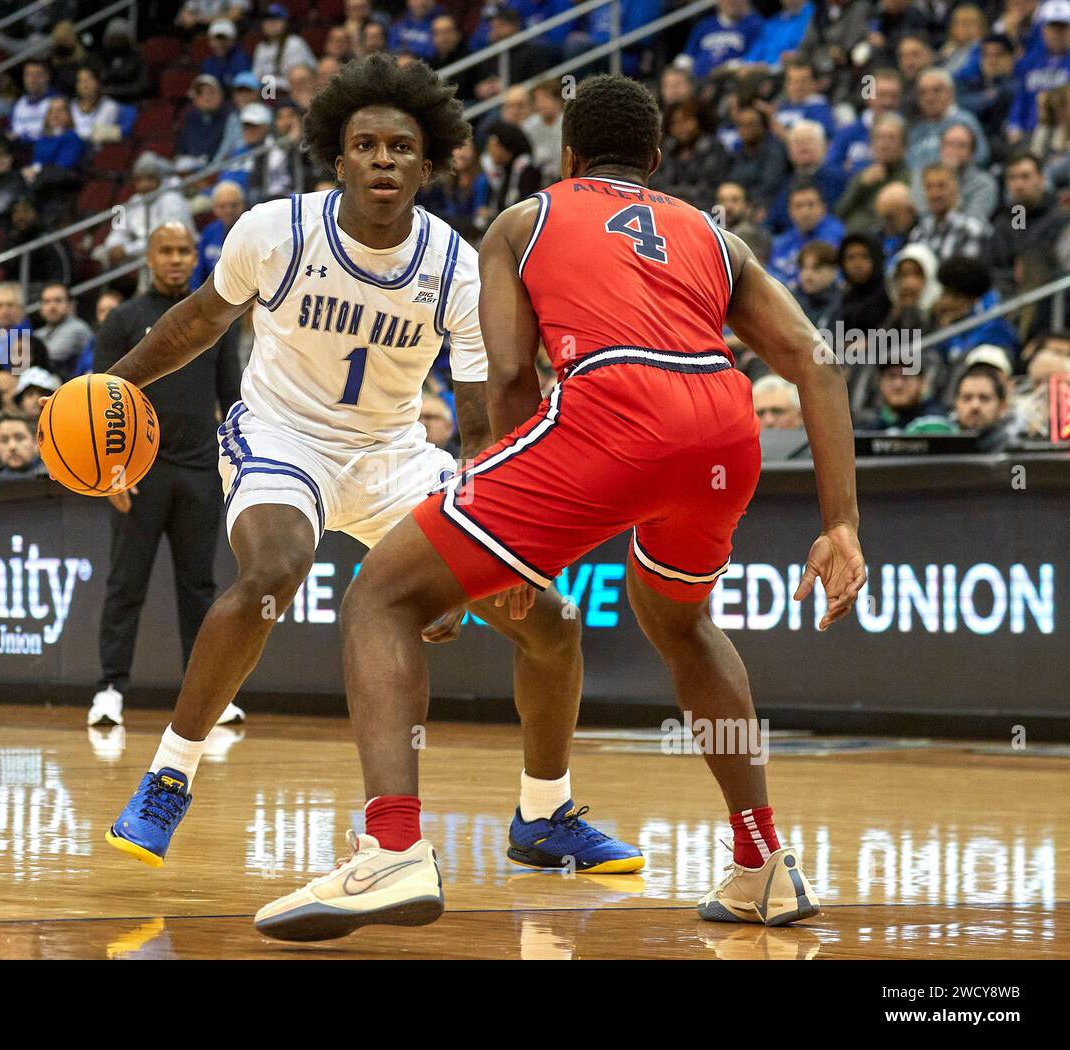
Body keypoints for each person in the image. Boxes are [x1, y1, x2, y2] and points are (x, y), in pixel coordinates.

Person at [260, 73, 866, 940]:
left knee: (381, 597)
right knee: (682, 624)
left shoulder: (524, 219)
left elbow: (507, 376)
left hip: (614, 404)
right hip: (726, 429)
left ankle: (392, 848)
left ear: (567, 155)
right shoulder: (711, 234)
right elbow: (816, 361)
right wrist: (840, 522)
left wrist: (510, 548)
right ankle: (762, 863)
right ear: (654, 162)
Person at [98, 57, 644, 891]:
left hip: (395, 456)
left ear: (428, 168)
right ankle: (171, 773)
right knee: (273, 574)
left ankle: (544, 815)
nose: (383, 159)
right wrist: (113, 384)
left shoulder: (458, 266)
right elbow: (198, 322)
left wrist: (477, 547)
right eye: (366, 145)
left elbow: (477, 421)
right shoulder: (275, 231)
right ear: (339, 159)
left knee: (553, 621)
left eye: (401, 147)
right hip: (283, 437)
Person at [85, 223, 244, 730]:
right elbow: (98, 402)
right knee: (125, 584)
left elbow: (232, 400)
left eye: (184, 251)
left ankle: (207, 700)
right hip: (138, 474)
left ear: (196, 256)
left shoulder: (216, 318)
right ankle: (110, 689)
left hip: (200, 470)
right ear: (148, 258)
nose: (176, 259)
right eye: (166, 251)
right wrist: (111, 473)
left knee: (199, 587)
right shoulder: (123, 320)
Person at [0, 410, 46, 474]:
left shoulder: (55, 478)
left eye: (19, 438)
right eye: (4, 440)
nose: (12, 446)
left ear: (36, 442)